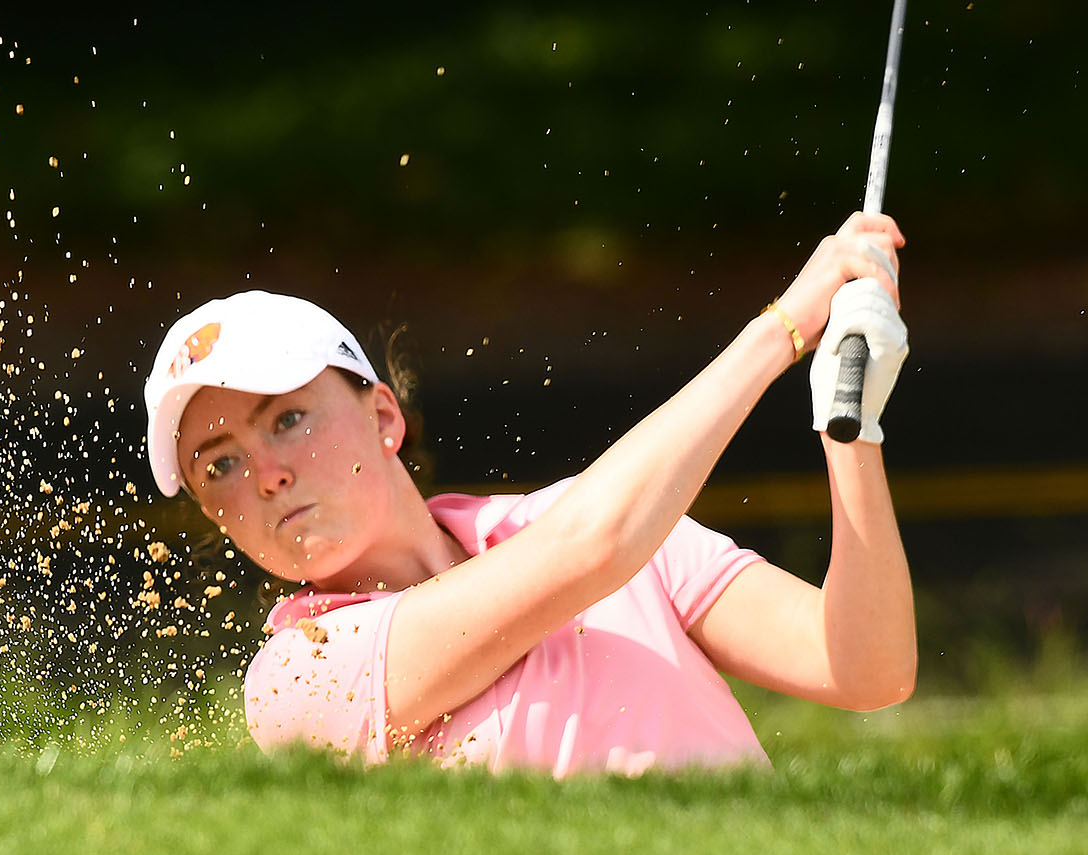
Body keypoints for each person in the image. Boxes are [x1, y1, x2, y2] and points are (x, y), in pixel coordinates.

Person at [140, 214, 916, 777]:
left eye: (288, 417)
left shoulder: (587, 516)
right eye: (219, 465)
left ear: (383, 416)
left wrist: (851, 430)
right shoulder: (296, 681)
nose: (266, 472)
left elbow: (865, 670)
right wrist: (780, 330)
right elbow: (589, 549)